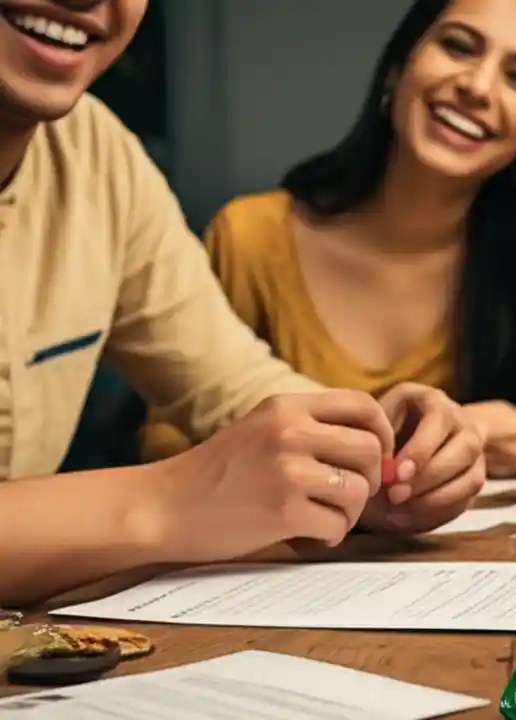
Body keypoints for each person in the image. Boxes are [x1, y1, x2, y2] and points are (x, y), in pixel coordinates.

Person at [0, 0, 484, 607]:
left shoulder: (97, 157)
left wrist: (370, 452)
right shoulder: (254, 228)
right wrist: (169, 499)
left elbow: (232, 383)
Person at [137, 0, 516, 476]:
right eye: (458, 46)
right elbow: (164, 442)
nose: (478, 86)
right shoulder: (252, 237)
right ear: (399, 68)